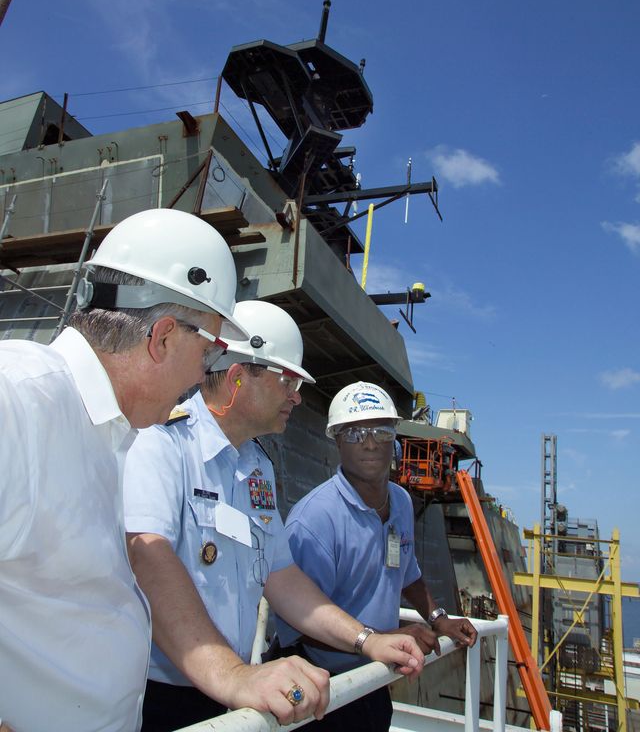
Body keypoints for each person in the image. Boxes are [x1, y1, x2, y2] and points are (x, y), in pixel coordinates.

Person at [123, 301, 426, 731]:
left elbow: (281, 578)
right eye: (286, 380)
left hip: (223, 692)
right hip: (152, 696)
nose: (297, 396)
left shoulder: (256, 467)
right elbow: (147, 557)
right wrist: (235, 676)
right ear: (237, 377)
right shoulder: (163, 443)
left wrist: (366, 640)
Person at [0, 208, 246, 732]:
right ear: (161, 338)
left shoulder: (111, 432)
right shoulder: (18, 401)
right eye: (210, 352)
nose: (206, 375)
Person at [277, 381, 478, 732]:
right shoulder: (314, 520)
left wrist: (438, 617)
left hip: (372, 680)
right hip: (321, 687)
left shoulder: (400, 501)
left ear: (394, 438)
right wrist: (388, 636)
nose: (369, 443)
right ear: (336, 439)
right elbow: (298, 626)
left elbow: (407, 571)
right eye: (354, 433)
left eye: (380, 431)